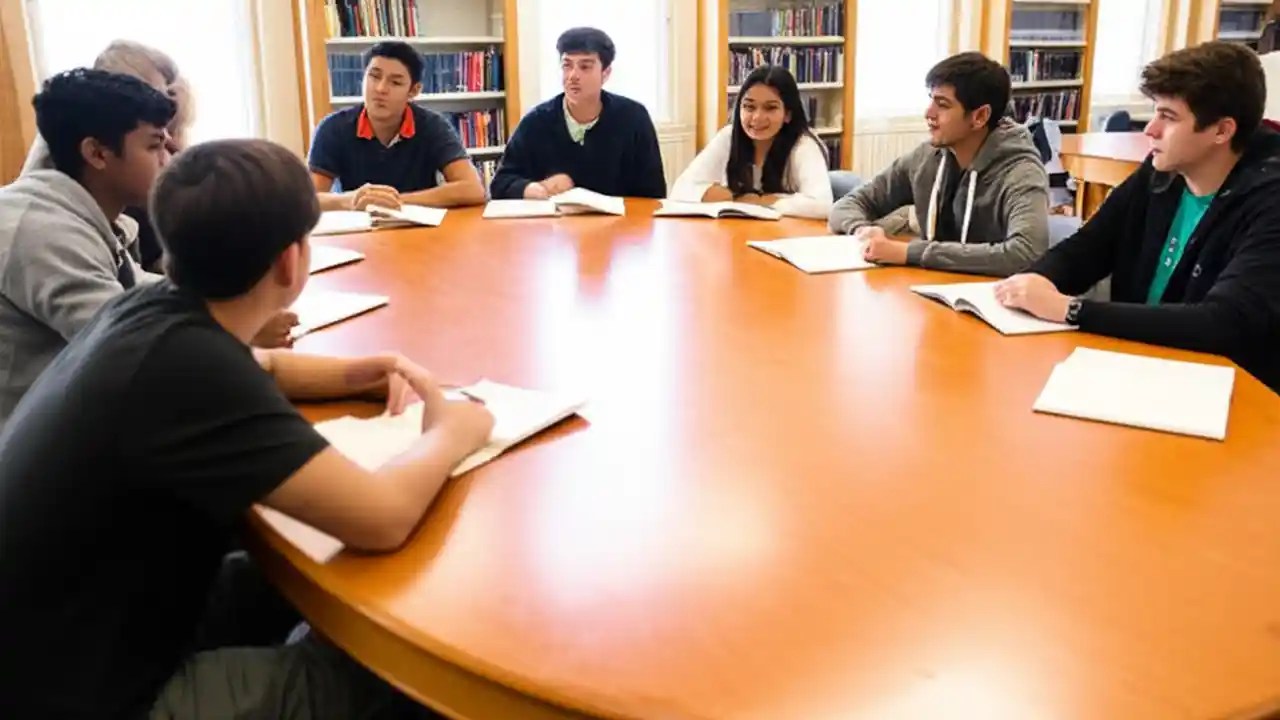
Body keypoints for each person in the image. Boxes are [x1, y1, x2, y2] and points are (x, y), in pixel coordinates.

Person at [0, 137, 496, 719]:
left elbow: (262, 364)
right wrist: (452, 430)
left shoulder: (149, 312)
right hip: (93, 695)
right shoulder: (195, 370)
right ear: (292, 260)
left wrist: (356, 373)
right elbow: (381, 518)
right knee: (398, 676)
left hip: (62, 635)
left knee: (281, 576)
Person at [0, 69, 293, 430]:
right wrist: (233, 324)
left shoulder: (92, 216)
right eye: (154, 146)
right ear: (97, 153)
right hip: (35, 447)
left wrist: (235, 306)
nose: (167, 160)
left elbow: (144, 298)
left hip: (84, 414)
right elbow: (129, 348)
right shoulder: (40, 233)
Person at [996, 42, 1280, 395]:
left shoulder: (1269, 199)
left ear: (1222, 131)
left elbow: (1225, 323)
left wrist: (1072, 311)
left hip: (1228, 393)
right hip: (1138, 370)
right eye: (1155, 112)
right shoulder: (1161, 171)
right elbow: (1089, 247)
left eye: (1169, 117)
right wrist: (1034, 281)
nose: (1151, 130)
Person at [828, 51, 1049, 277]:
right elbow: (847, 205)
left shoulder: (1022, 172)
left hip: (990, 300)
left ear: (980, 116)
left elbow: (1026, 254)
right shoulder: (926, 157)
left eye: (942, 104)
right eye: (931, 100)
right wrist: (863, 231)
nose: (928, 113)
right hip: (931, 291)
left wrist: (911, 253)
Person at [23, 39, 195, 272]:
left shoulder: (115, 208)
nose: (166, 158)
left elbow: (134, 285)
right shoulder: (52, 231)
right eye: (155, 145)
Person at [489, 27, 666, 200]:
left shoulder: (634, 118)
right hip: (554, 226)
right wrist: (535, 189)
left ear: (605, 73)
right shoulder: (536, 121)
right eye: (567, 66)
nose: (573, 76)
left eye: (585, 67)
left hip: (618, 225)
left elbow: (654, 193)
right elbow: (500, 185)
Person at [308, 41, 486, 211]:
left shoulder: (433, 126)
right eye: (374, 76)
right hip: (358, 231)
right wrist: (351, 200)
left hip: (417, 229)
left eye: (395, 82)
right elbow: (308, 199)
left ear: (413, 91)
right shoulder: (333, 128)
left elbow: (473, 189)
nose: (380, 88)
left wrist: (396, 201)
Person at [669, 65, 833, 219]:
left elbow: (823, 205)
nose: (757, 117)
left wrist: (762, 202)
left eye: (770, 108)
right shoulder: (728, 137)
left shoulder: (803, 145)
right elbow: (679, 190)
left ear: (788, 114)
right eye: (749, 107)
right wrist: (730, 197)